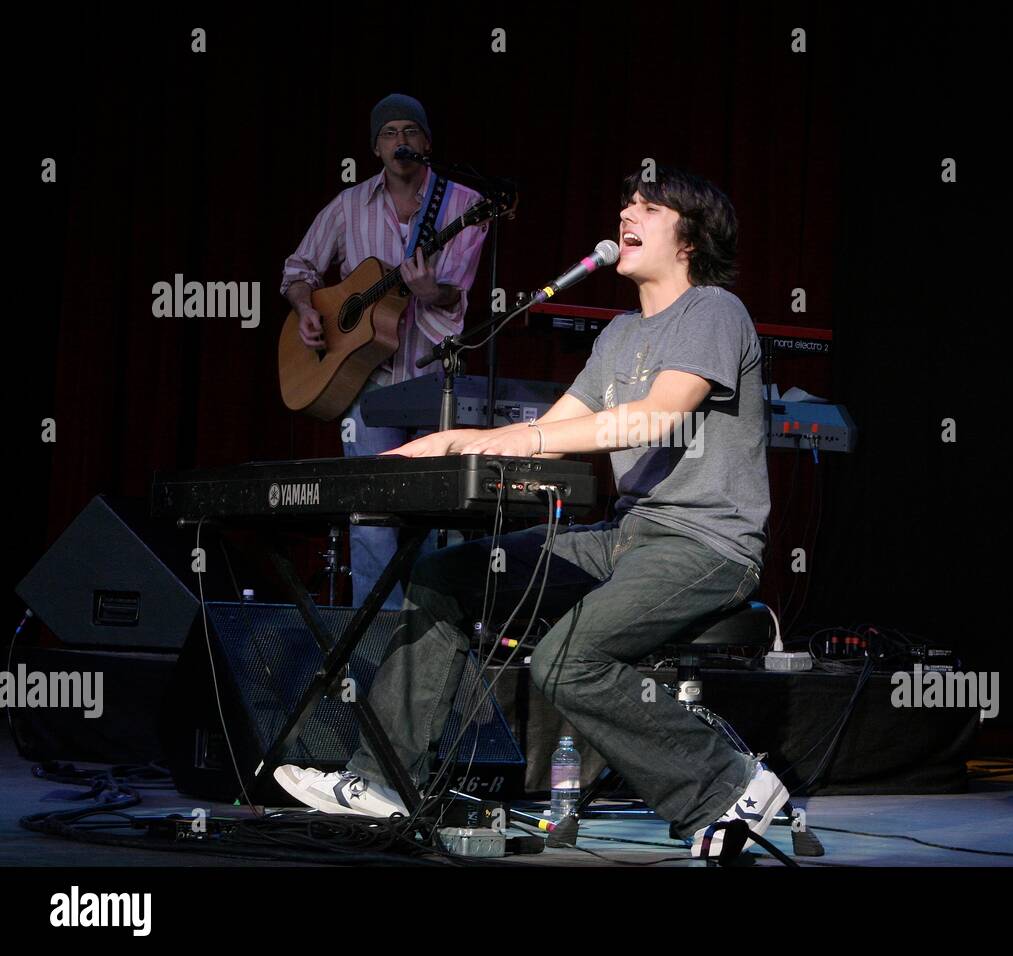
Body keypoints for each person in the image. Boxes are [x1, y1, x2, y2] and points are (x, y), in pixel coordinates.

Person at [275, 166, 788, 858]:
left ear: (690, 236)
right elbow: (547, 433)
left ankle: (728, 785)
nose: (626, 214)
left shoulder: (715, 313)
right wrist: (456, 443)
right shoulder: (616, 338)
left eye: (647, 206)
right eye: (625, 201)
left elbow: (652, 418)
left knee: (564, 659)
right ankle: (382, 780)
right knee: (444, 580)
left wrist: (517, 439)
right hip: (625, 536)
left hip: (706, 545)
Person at [280, 93, 488, 609]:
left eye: (411, 132)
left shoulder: (464, 205)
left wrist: (429, 291)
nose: (401, 141)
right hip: (365, 383)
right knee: (372, 521)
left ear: (427, 145)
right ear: (376, 147)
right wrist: (307, 308)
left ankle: (434, 641)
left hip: (434, 385)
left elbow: (454, 294)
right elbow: (298, 269)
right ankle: (377, 649)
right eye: (390, 133)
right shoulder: (349, 205)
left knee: (438, 522)